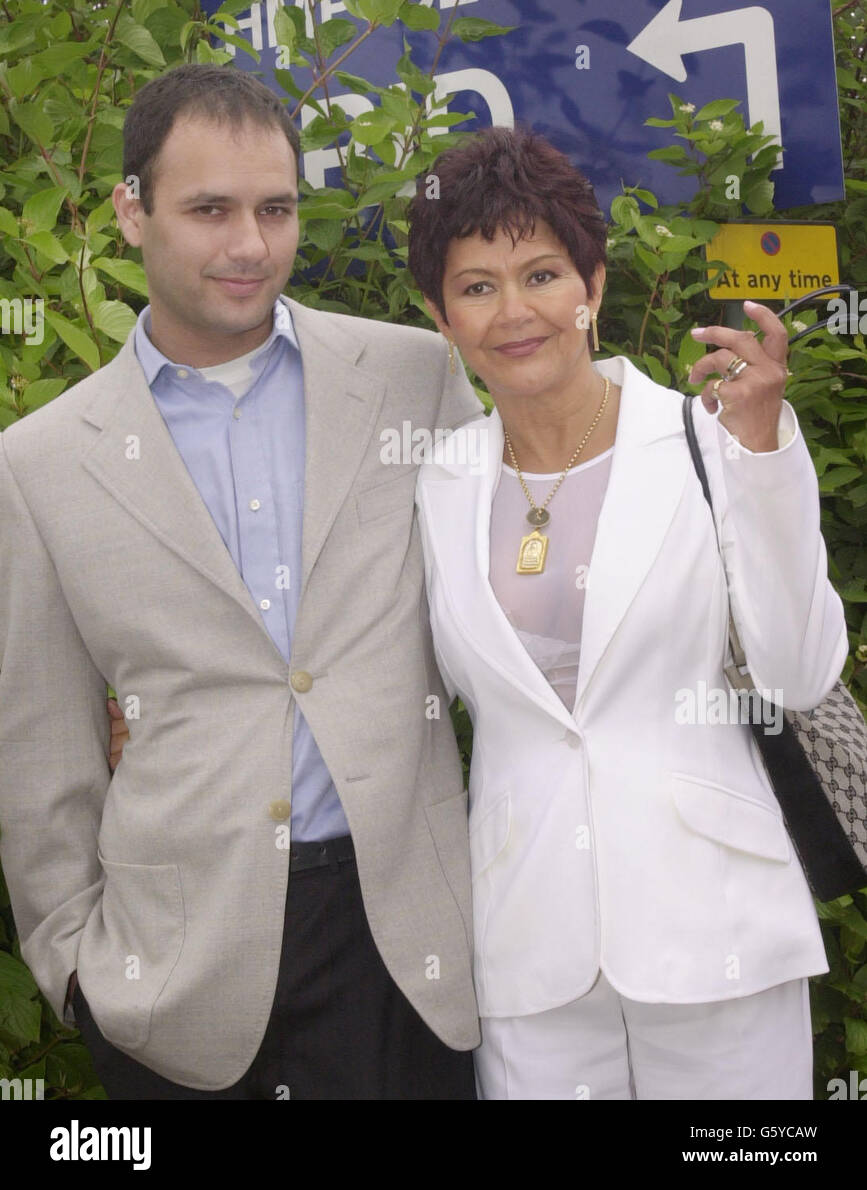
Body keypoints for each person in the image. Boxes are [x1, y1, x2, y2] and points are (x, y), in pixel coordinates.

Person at [0, 63, 482, 1099]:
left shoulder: (416, 376)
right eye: (209, 209)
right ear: (129, 212)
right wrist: (78, 967)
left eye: (276, 208)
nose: (250, 245)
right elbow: (40, 752)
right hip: (177, 970)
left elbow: (505, 622)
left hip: (405, 942)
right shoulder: (39, 463)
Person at [405, 125, 849, 1100]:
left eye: (542, 273)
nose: (515, 310)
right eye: (477, 285)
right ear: (442, 316)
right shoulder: (437, 484)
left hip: (719, 930)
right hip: (526, 942)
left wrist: (768, 459)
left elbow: (799, 672)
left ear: (594, 286)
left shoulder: (720, 435)